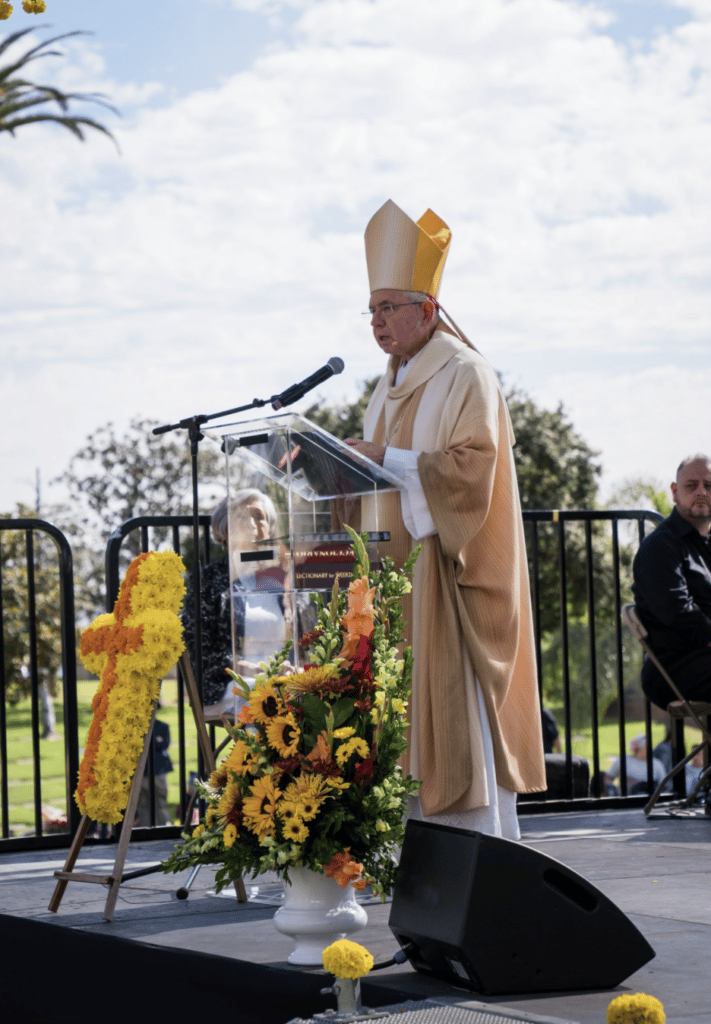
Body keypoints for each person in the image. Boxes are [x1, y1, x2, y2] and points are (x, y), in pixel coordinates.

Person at [344, 199, 546, 840]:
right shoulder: (386, 384)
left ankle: (482, 864)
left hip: (448, 581)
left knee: (456, 723)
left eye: (388, 308)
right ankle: (417, 883)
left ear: (427, 309)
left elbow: (471, 472)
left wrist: (388, 459)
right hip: (397, 583)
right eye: (371, 310)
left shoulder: (466, 373)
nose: (377, 323)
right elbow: (380, 473)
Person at [182, 490, 317, 717]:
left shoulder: (284, 577)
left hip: (283, 679)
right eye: (242, 517)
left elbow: (309, 635)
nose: (253, 524)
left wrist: (298, 666)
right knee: (278, 697)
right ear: (224, 531)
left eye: (259, 517)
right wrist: (244, 667)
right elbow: (197, 646)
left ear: (270, 529)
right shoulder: (208, 579)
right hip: (228, 684)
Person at [632, 454, 711, 710]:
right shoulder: (659, 546)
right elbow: (677, 612)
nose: (702, 492)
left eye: (709, 485)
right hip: (674, 668)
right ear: (675, 492)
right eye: (692, 485)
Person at [136, 716, 173, 826]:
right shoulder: (135, 726)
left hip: (157, 773)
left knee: (159, 805)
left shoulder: (162, 726)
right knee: (141, 806)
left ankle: (163, 830)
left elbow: (163, 744)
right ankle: (144, 832)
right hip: (140, 773)